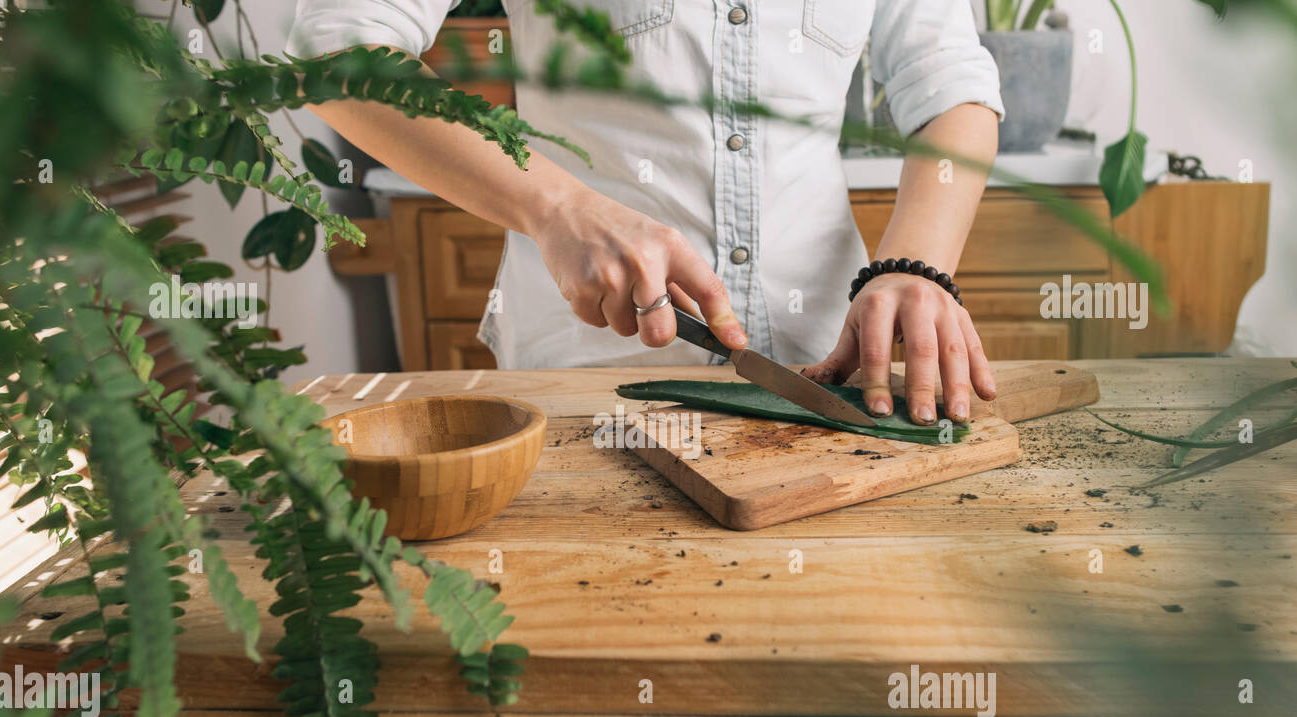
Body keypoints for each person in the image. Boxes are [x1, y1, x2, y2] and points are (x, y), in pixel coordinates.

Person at [288, 1, 1004, 425]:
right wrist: (557, 206)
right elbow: (331, 49)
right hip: (587, 383)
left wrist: (914, 266)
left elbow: (948, 86)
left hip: (833, 377)